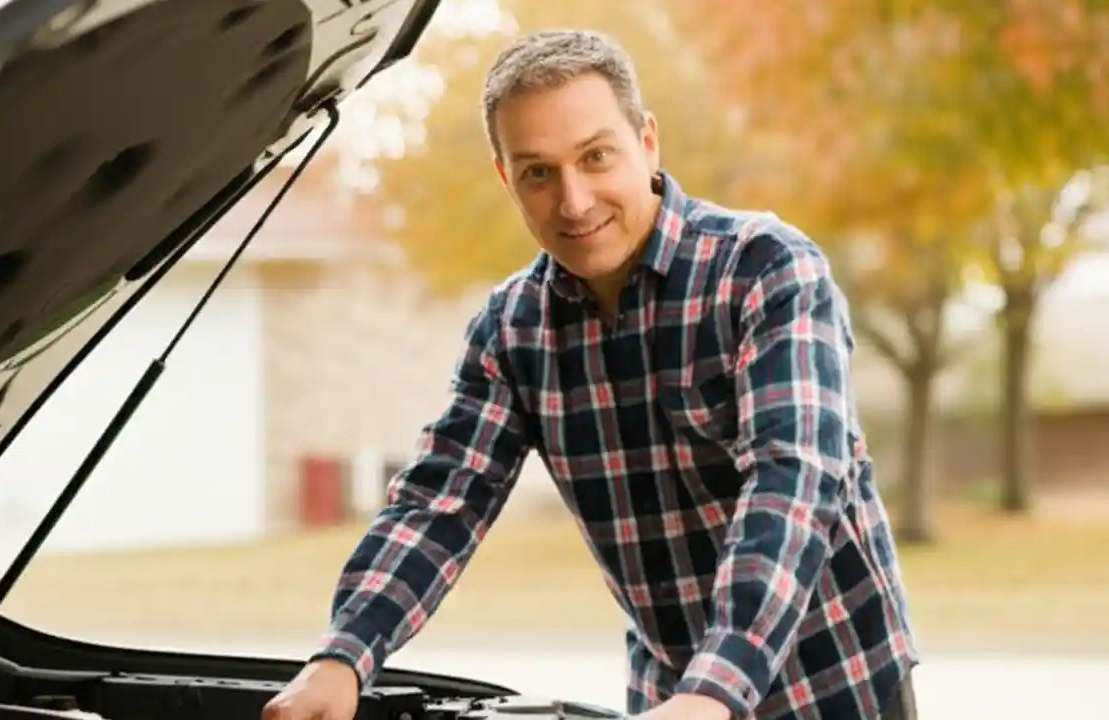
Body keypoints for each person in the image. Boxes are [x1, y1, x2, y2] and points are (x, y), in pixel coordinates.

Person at [262, 28, 919, 720]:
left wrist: (716, 690)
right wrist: (342, 654)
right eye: (538, 173)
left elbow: (793, 481)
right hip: (669, 694)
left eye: (596, 157)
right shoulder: (513, 329)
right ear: (505, 178)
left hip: (834, 682)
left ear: (647, 142)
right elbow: (439, 505)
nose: (573, 202)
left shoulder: (765, 269)